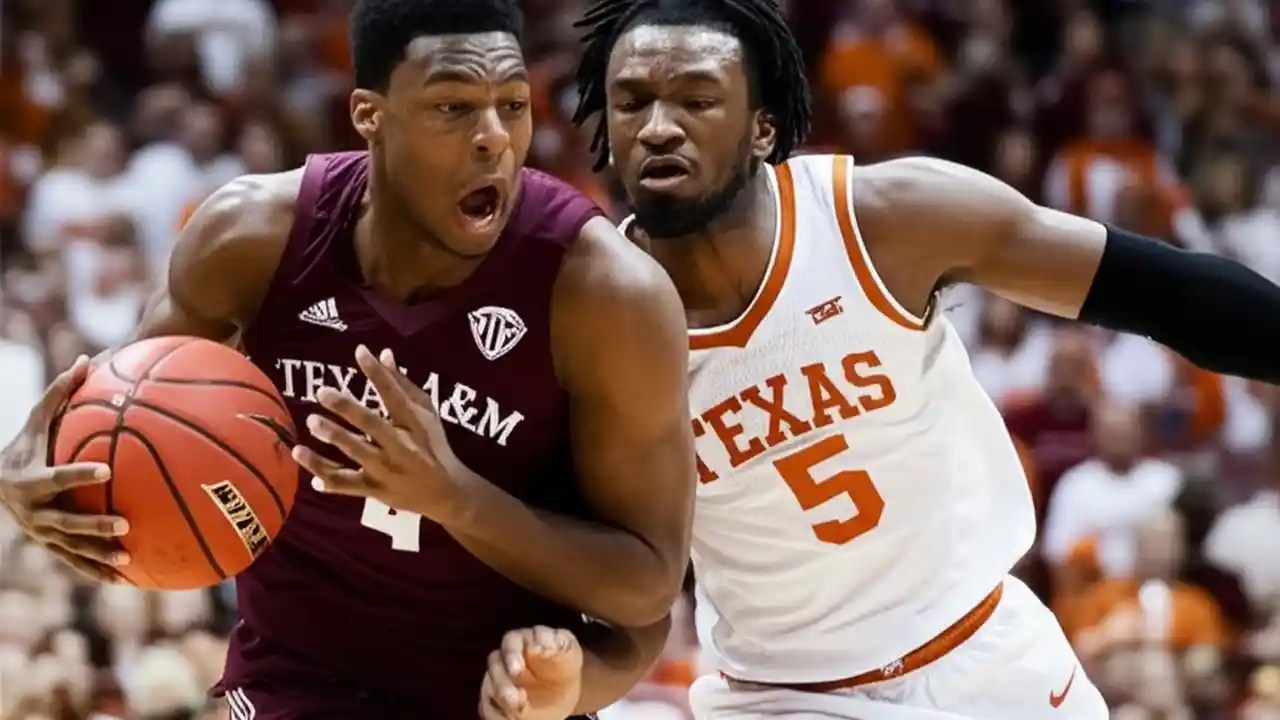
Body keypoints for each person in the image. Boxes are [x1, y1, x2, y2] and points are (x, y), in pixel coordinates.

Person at [480, 0, 1280, 718]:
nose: (658, 125)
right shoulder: (598, 323)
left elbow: (1167, 293)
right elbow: (633, 592)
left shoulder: (883, 221)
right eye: (632, 103)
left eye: (695, 99)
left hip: (989, 654)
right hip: (785, 697)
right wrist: (567, 686)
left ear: (762, 126)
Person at [0, 0, 697, 717]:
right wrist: (35, 474)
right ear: (370, 114)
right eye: (453, 106)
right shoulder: (251, 238)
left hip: (496, 693)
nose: (495, 138)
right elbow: (116, 429)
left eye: (512, 104)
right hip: (292, 676)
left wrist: (455, 498)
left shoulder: (606, 292)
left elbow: (645, 586)